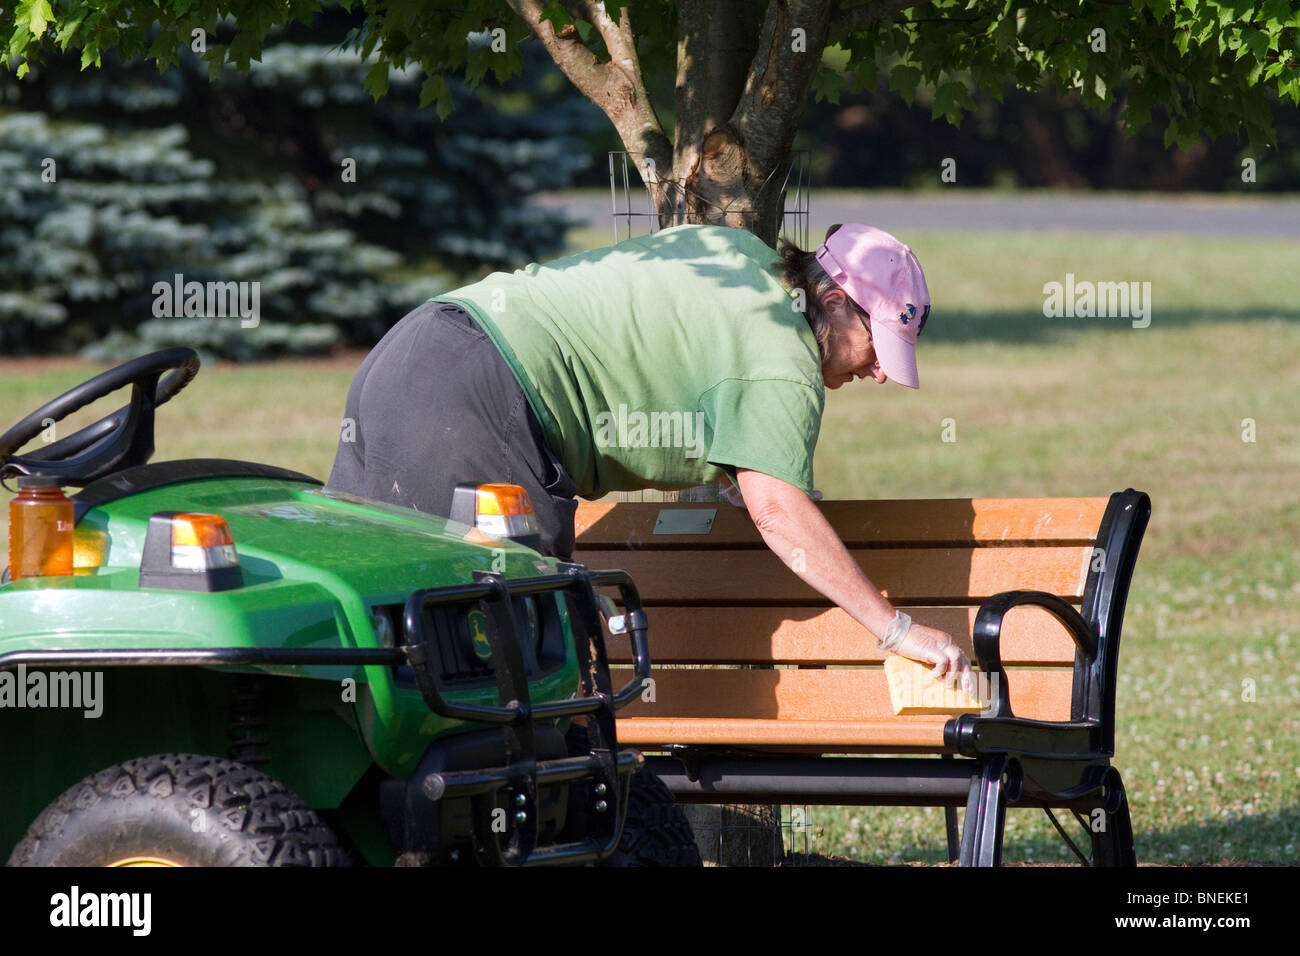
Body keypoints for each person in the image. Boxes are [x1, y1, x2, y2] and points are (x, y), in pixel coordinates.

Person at [327, 222, 973, 689]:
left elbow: (667, 344)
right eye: (876, 344)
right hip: (476, 399)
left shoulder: (741, 253)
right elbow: (778, 510)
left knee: (372, 629)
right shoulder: (786, 357)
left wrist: (731, 461)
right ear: (832, 302)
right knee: (510, 664)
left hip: (416, 350)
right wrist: (895, 630)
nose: (880, 373)